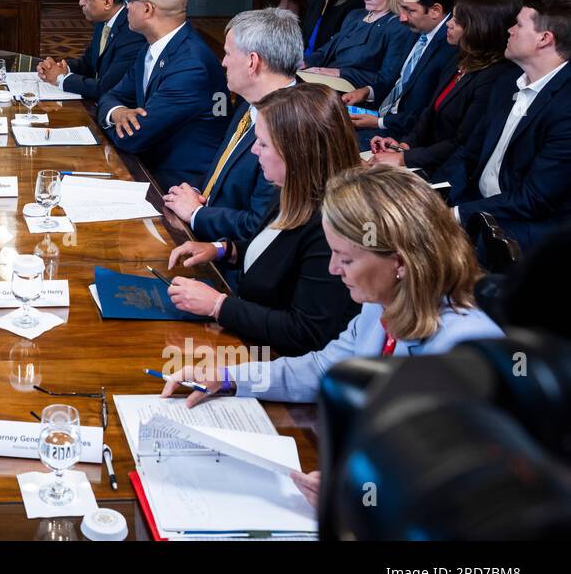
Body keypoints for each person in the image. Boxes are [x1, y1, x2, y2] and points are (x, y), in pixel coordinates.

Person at [161, 164, 503, 405]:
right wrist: (228, 378)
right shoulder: (380, 302)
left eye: (347, 258)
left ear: (399, 261)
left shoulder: (465, 347)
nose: (332, 268)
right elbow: (322, 368)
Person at [164, 85, 362, 356]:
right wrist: (222, 249)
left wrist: (218, 306)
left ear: (296, 151)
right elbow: (274, 251)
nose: (254, 151)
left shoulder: (333, 226)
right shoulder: (288, 187)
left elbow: (306, 332)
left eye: (263, 143)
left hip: (277, 362)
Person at [437, 0, 571, 251]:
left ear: (544, 39)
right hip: (477, 202)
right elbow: (467, 155)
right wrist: (434, 193)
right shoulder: (506, 81)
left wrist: (454, 215)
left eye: (519, 25)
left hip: (520, 229)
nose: (509, 30)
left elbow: (532, 200)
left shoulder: (565, 108)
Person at [163, 7, 301, 241]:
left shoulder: (293, 123)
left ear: (252, 62)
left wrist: (196, 213)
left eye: (228, 53)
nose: (223, 62)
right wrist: (194, 193)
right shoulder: (250, 101)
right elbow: (223, 169)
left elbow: (260, 225)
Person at [96, 0, 228, 190]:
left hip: (177, 182)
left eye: (130, 1)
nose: (126, 6)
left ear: (148, 9)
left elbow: (134, 137)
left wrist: (105, 120)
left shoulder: (190, 66)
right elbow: (112, 95)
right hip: (147, 160)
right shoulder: (153, 45)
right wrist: (116, 113)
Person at [370, 0, 518, 173]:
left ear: (479, 28)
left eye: (457, 21)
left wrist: (404, 158)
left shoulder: (493, 78)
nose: (449, 23)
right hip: (421, 155)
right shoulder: (459, 59)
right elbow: (428, 115)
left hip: (445, 170)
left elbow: (460, 143)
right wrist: (404, 145)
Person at [344, 0, 459, 145]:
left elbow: (426, 112)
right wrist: (367, 91)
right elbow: (396, 79)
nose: (402, 18)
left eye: (409, 10)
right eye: (401, 10)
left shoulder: (450, 48)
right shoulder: (416, 30)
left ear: (435, 10)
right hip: (379, 113)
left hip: (402, 136)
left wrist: (379, 122)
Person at [301, 0, 414, 92]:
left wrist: (339, 73)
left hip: (352, 92)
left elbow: (386, 79)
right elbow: (326, 51)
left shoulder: (398, 28)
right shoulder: (356, 15)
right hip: (324, 82)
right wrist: (304, 62)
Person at [35, 0, 142, 102]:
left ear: (107, 3)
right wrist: (59, 67)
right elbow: (89, 63)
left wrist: (62, 78)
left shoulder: (132, 33)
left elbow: (106, 88)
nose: (80, 3)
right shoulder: (102, 20)